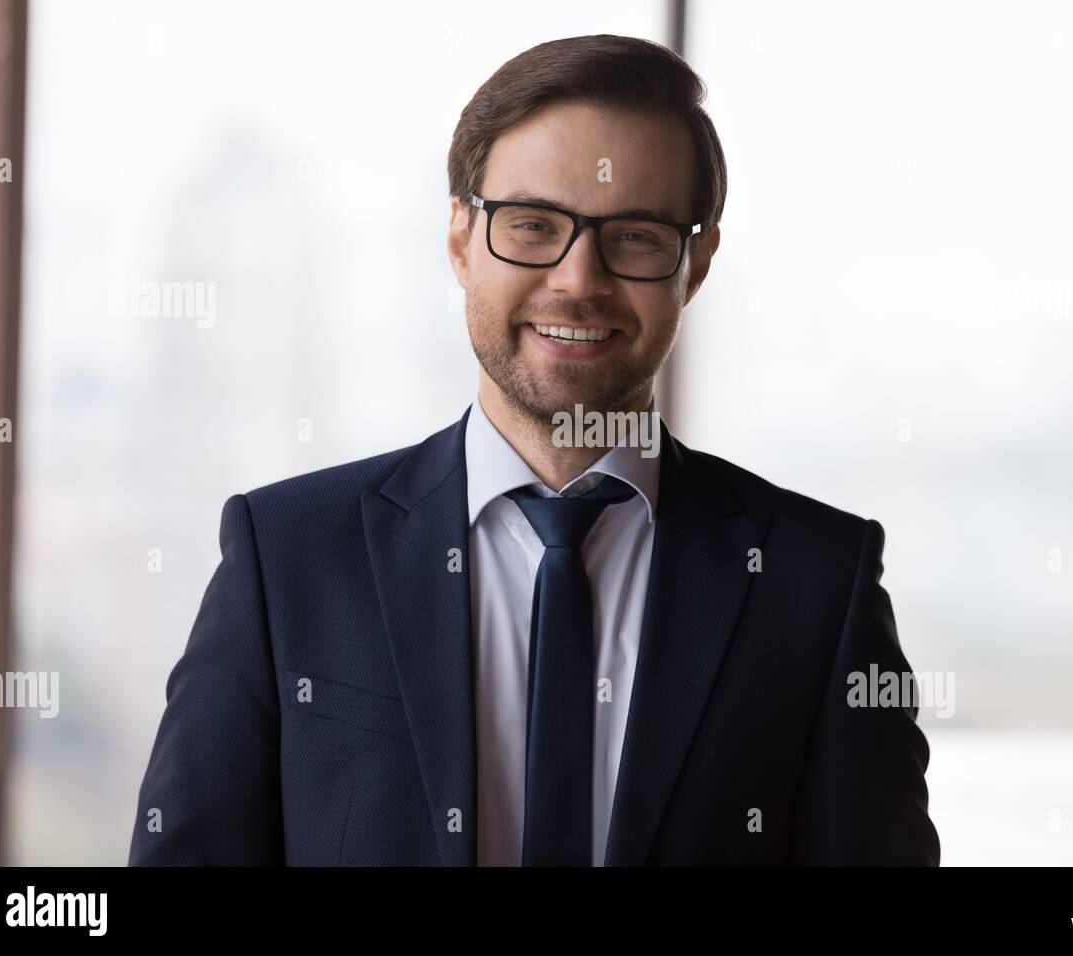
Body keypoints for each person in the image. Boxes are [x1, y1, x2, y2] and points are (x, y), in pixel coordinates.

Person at [129, 33, 939, 867]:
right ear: (459, 239)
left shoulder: (816, 582)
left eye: (634, 237)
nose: (577, 279)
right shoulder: (289, 556)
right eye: (532, 225)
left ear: (694, 265)